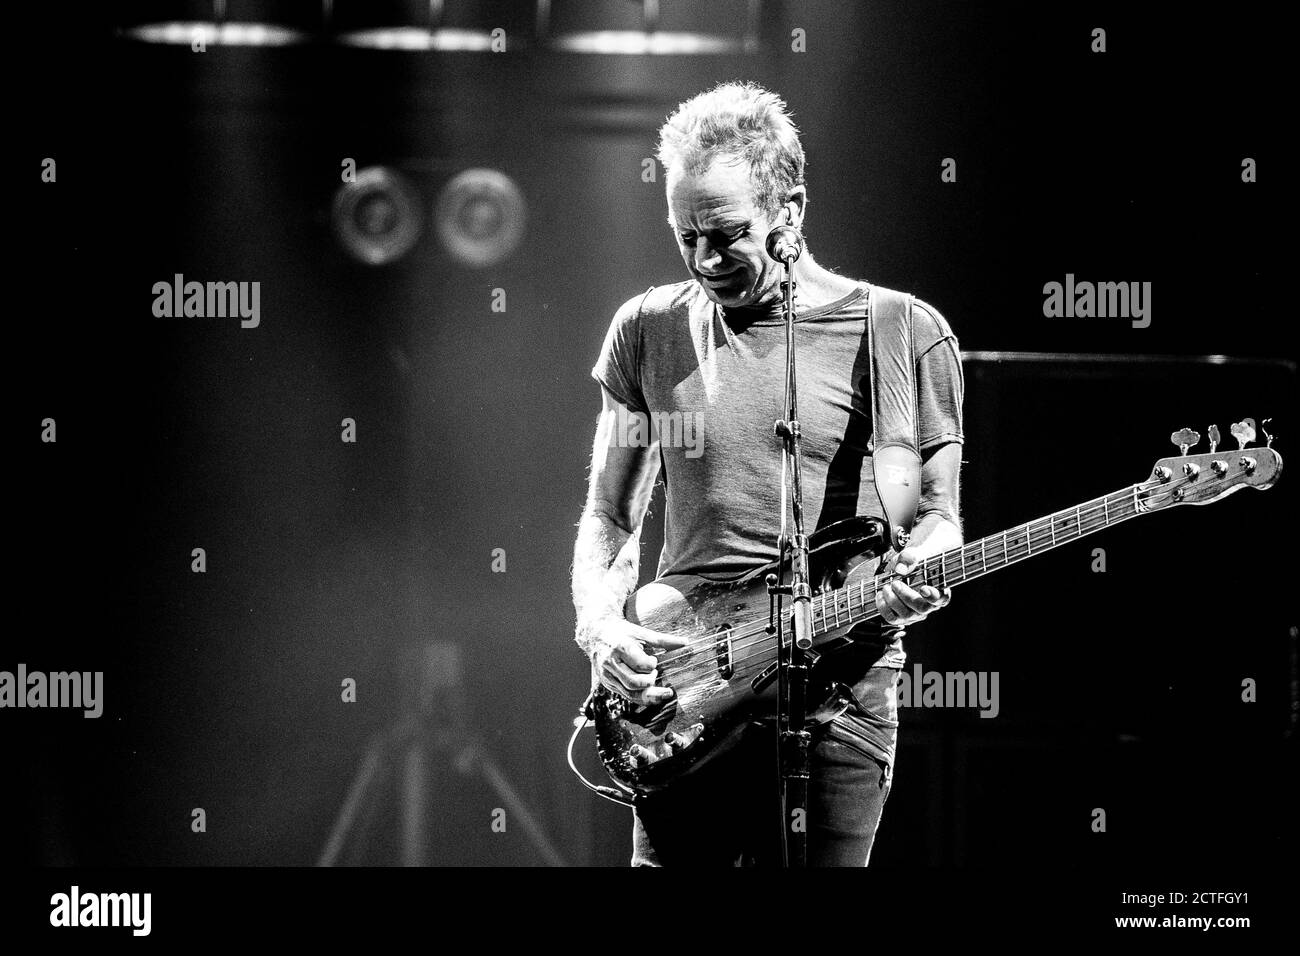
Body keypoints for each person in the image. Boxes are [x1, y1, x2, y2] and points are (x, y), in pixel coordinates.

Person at [571, 81, 964, 866]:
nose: (706, 260)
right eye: (686, 236)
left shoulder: (900, 333)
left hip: (838, 691)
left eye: (727, 234)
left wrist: (921, 566)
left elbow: (938, 517)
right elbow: (611, 516)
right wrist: (601, 626)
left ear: (792, 209)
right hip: (684, 695)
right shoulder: (647, 330)